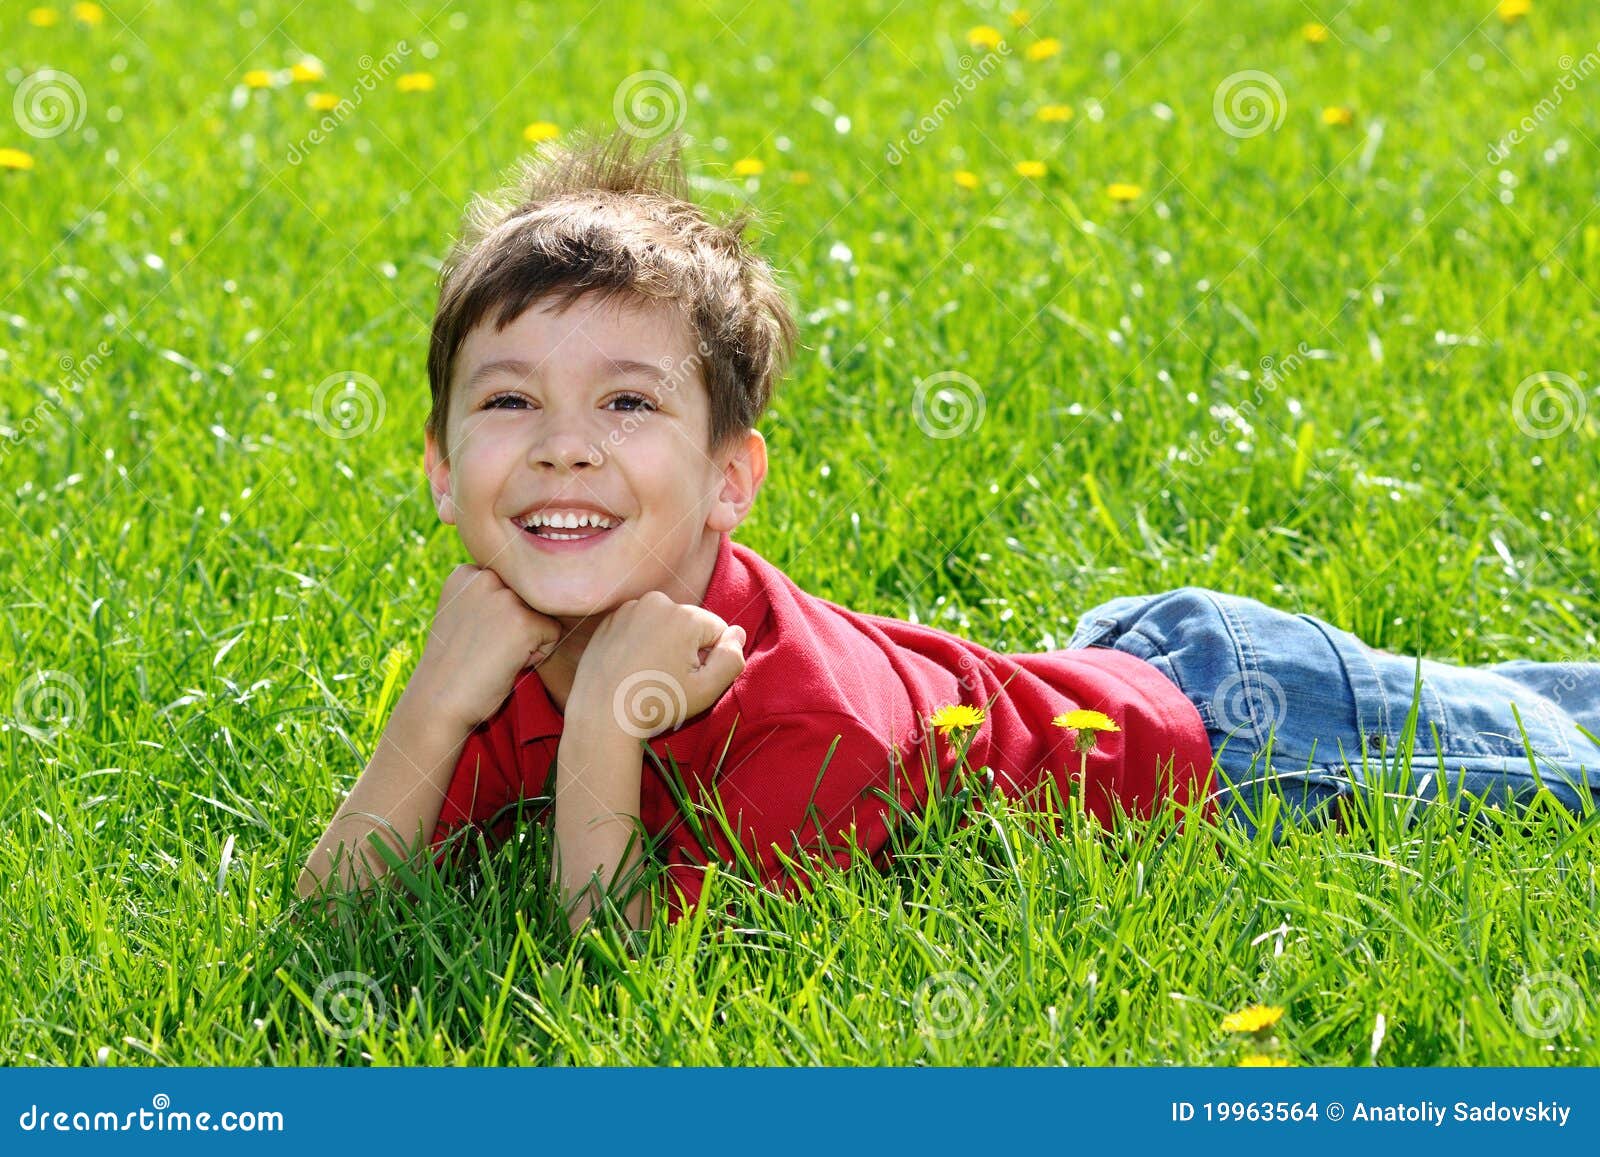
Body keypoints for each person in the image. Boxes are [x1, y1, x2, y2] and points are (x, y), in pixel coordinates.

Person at [297, 130, 1598, 933]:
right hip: (1103, 673)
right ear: (441, 466)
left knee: (1558, 764)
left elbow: (629, 969)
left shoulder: (809, 713)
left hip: (1240, 738)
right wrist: (434, 707)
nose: (562, 445)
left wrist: (599, 732)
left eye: (627, 402)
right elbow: (337, 911)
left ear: (730, 478)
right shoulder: (509, 647)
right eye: (509, 401)